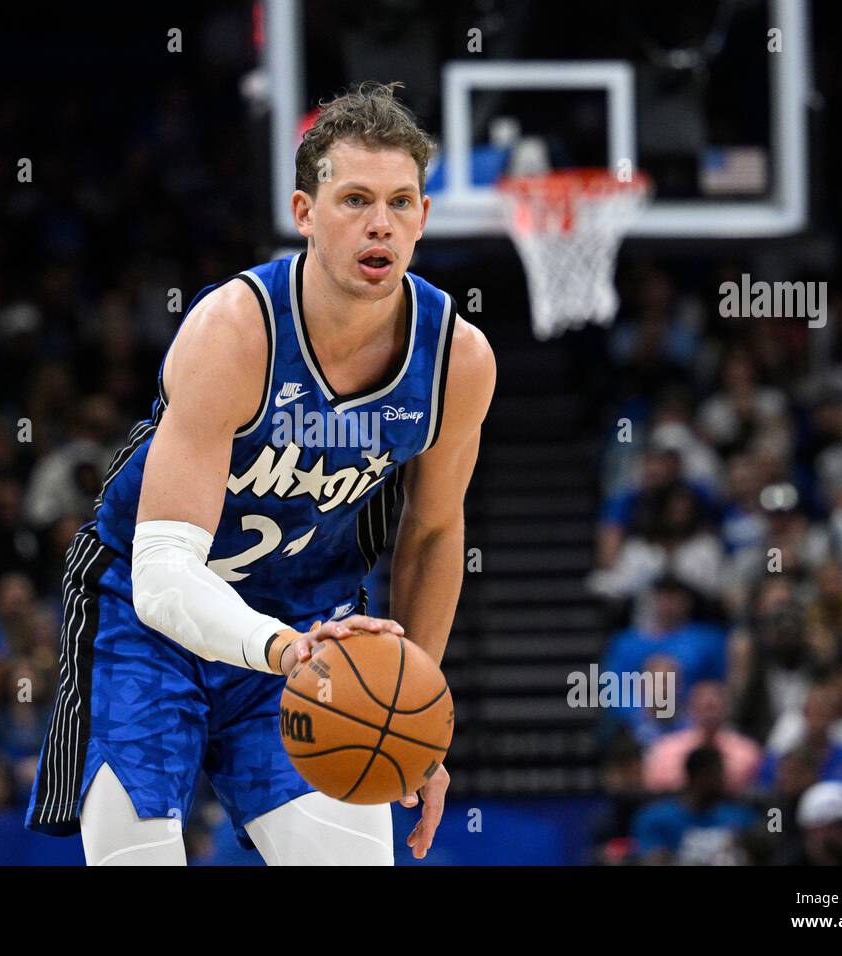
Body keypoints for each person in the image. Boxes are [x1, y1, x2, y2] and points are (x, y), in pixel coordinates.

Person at [26, 81, 495, 865]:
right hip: (146, 622)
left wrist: (414, 709)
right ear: (304, 213)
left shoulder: (457, 360)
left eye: (401, 202)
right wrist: (285, 650)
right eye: (353, 199)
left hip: (316, 624)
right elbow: (163, 573)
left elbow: (436, 531)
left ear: (423, 216)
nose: (380, 223)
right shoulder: (235, 332)